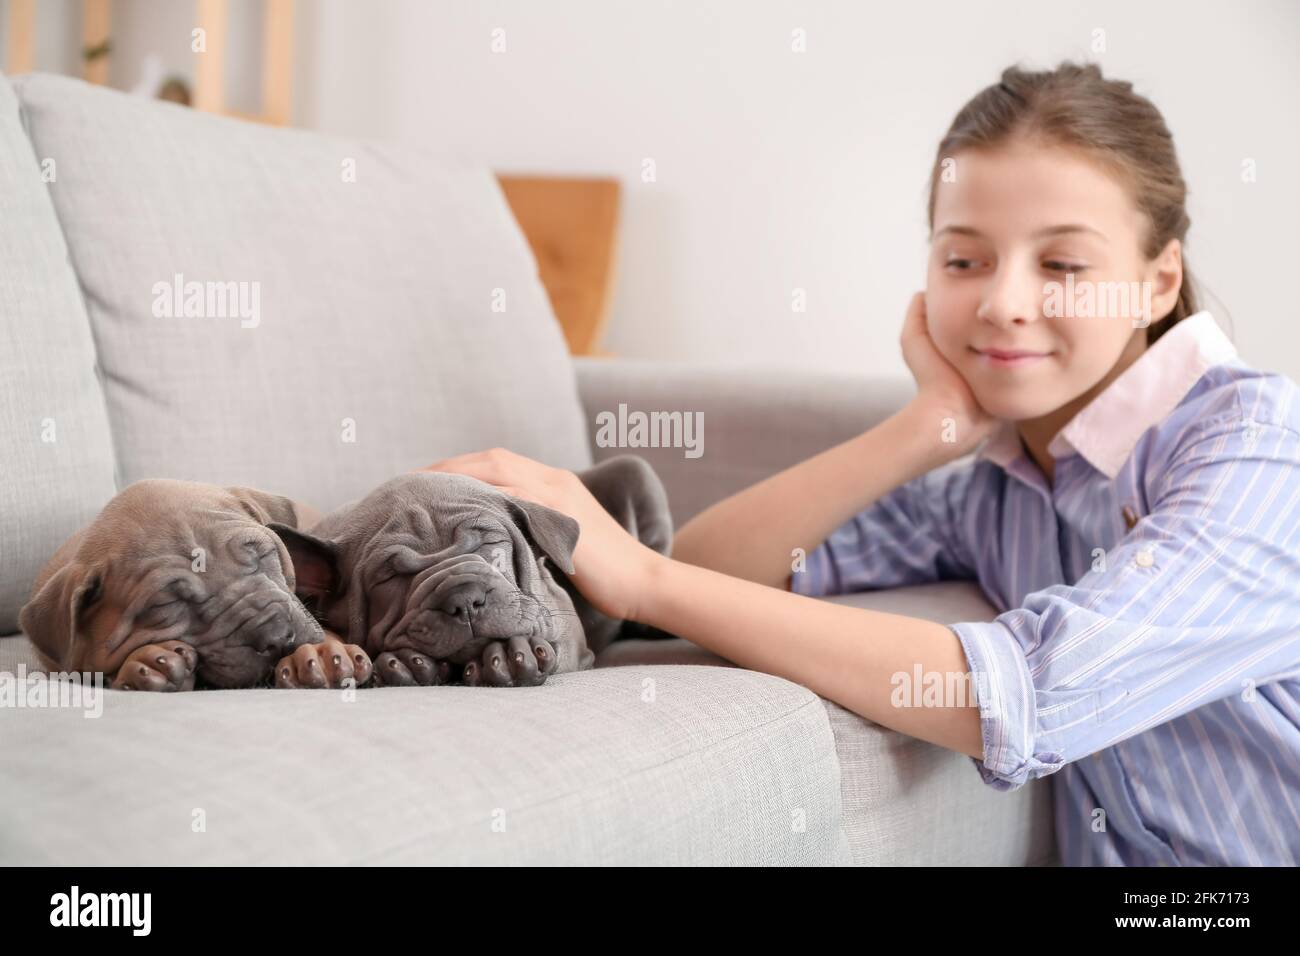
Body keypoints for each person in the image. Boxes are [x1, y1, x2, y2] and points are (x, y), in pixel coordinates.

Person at [423, 62, 1300, 866]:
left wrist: (642, 578)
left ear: (1156, 280)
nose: (1001, 302)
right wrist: (924, 429)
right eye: (965, 259)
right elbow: (717, 569)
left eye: (1063, 263)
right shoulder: (996, 491)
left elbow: (1034, 691)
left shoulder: (1257, 449)